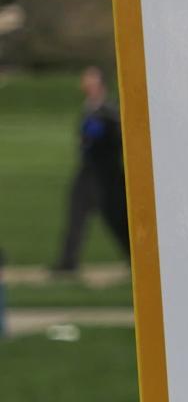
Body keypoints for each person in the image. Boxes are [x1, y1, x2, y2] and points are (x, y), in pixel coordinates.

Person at [52, 65, 130, 274]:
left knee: (117, 218)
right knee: (76, 215)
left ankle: (135, 258)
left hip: (107, 174)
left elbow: (118, 139)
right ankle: (68, 261)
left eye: (90, 80)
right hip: (87, 171)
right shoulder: (89, 108)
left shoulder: (109, 111)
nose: (85, 84)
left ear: (99, 84)